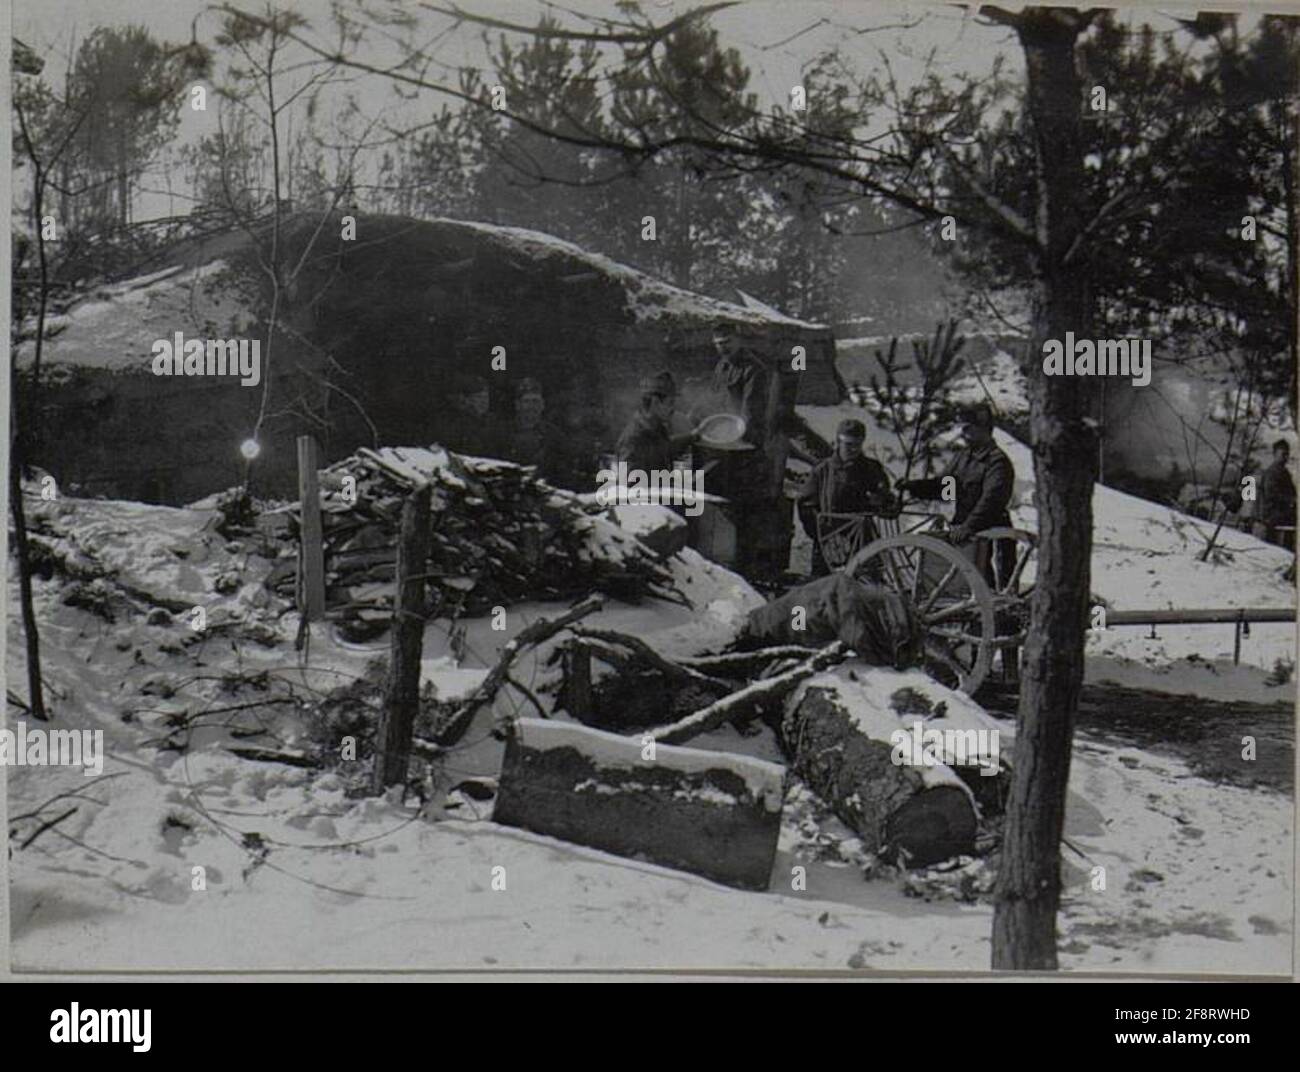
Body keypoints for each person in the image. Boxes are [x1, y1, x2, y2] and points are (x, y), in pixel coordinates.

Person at [897, 403, 1015, 585]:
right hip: (964, 532)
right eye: (962, 429)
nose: (963, 434)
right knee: (965, 580)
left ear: (984, 429)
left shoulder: (997, 462)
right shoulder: (963, 457)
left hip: (990, 531)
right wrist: (913, 487)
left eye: (968, 429)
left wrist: (969, 526)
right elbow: (946, 489)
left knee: (987, 581)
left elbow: (992, 500)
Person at [795, 418, 894, 576]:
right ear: (838, 442)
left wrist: (883, 502)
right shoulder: (822, 471)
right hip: (830, 543)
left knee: (868, 590)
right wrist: (821, 534)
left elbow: (888, 505)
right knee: (825, 591)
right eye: (848, 444)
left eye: (857, 444)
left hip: (864, 543)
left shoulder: (872, 469)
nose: (853, 449)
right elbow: (806, 506)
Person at [615, 372, 700, 475]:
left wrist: (692, 437)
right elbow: (630, 485)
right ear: (655, 402)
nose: (673, 409)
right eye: (670, 403)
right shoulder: (632, 440)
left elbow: (667, 447)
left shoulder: (657, 428)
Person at [711, 322, 769, 447]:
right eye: (719, 343)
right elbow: (714, 399)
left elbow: (750, 412)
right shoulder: (721, 366)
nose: (723, 347)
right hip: (727, 427)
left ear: (738, 340)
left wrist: (731, 435)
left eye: (727, 341)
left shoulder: (753, 369)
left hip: (749, 434)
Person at [1258, 439, 1297, 551]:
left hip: (1281, 513)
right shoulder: (1272, 472)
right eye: (1283, 454)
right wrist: (1291, 500)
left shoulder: (1284, 472)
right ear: (1275, 454)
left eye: (1287, 454)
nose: (1285, 457)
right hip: (1272, 515)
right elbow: (1272, 494)